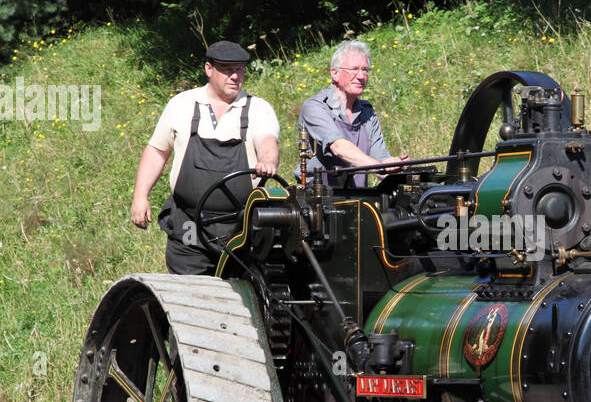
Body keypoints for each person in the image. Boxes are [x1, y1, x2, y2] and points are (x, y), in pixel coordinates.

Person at [130, 40, 280, 274]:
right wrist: (140, 197)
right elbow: (157, 151)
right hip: (189, 227)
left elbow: (267, 140)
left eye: (239, 70)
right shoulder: (182, 104)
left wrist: (268, 160)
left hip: (239, 232)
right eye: (227, 69)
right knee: (191, 298)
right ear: (209, 69)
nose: (235, 76)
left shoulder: (258, 109)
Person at [298, 40, 407, 187]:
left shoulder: (367, 112)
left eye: (365, 70)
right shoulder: (315, 107)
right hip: (318, 198)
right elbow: (339, 148)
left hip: (357, 197)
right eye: (354, 69)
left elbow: (379, 156)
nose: (361, 76)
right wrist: (380, 166)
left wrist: (396, 167)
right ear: (334, 73)